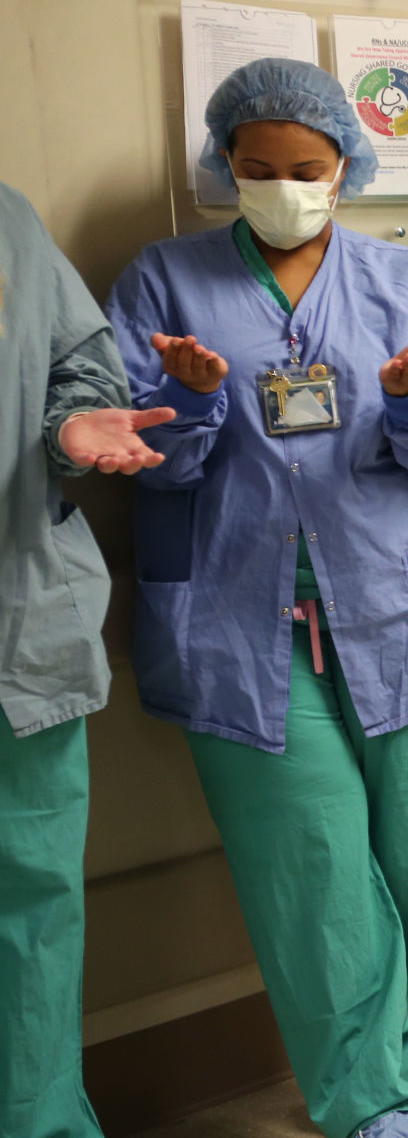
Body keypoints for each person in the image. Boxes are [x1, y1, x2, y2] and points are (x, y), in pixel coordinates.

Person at [107, 58, 408, 1138]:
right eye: (258, 167)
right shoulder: (163, 281)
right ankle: (367, 1095)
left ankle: (384, 1050)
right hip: (238, 620)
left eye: (308, 168)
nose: (284, 186)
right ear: (223, 164)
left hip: (405, 606)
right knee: (317, 868)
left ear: (346, 168)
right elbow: (133, 453)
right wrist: (184, 406)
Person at [1, 181, 176, 1138]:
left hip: (15, 632)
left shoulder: (6, 218)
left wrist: (71, 428)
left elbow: (79, 361)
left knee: (32, 914)